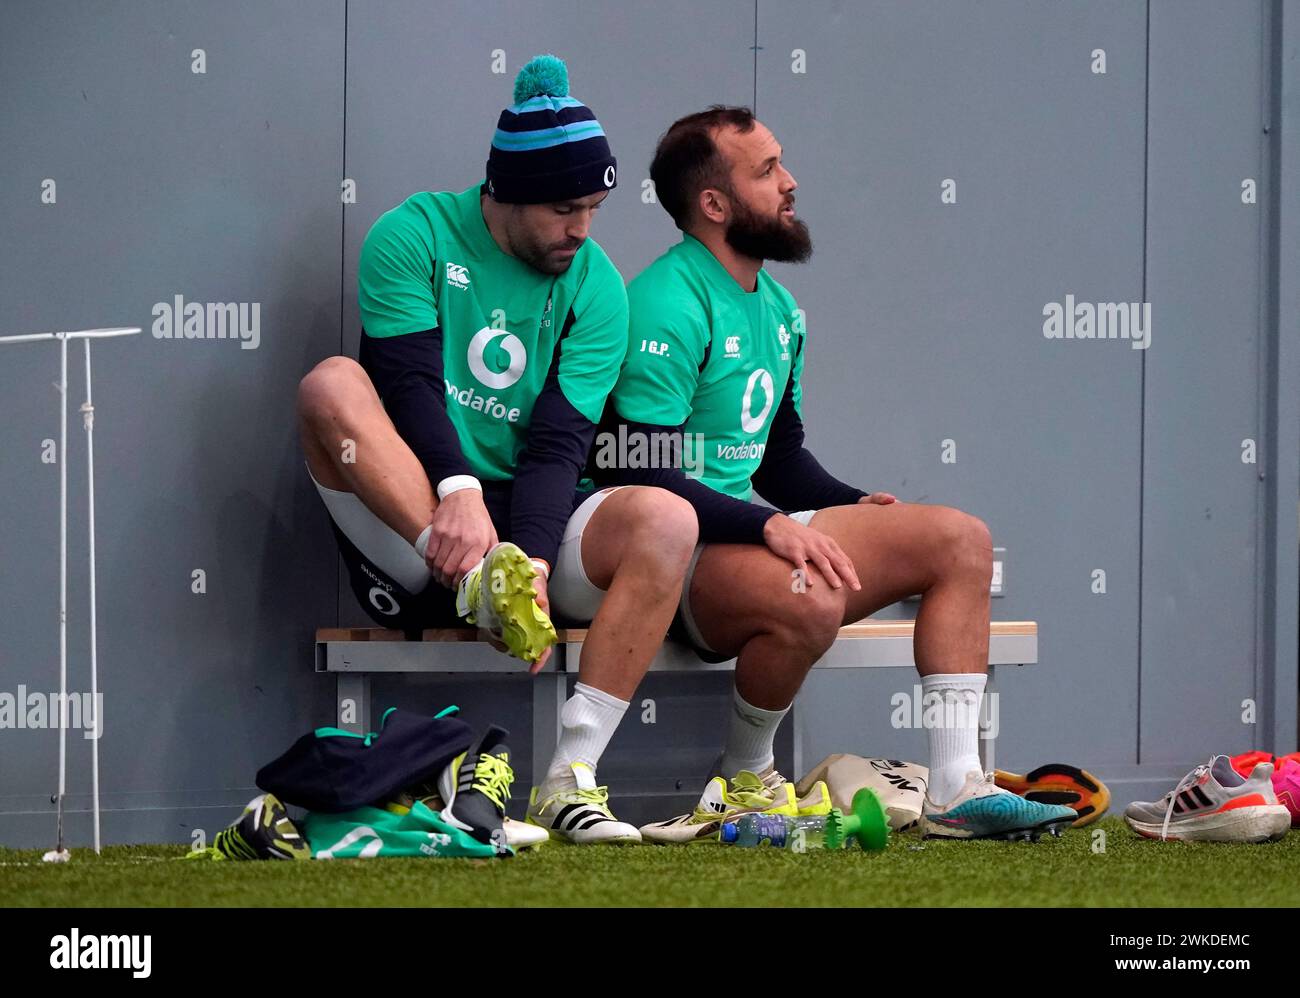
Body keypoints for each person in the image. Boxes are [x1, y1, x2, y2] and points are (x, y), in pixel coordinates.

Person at [596, 105, 1076, 841]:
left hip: (748, 533)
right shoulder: (665, 300)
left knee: (959, 540)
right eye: (767, 171)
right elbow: (644, 477)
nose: (790, 184)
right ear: (715, 205)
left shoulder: (782, 310)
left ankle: (955, 786)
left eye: (781, 164)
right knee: (809, 595)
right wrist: (769, 527)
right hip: (674, 555)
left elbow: (778, 456)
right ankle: (747, 776)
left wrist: (849, 502)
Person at [296, 56, 698, 845]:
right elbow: (407, 386)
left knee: (668, 521)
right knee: (330, 384)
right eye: (562, 208)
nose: (580, 229)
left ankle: (570, 780)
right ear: (504, 192)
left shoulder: (597, 285)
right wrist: (457, 494)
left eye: (594, 207)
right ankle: (481, 585)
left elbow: (556, 447)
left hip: (520, 521)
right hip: (413, 520)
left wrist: (535, 566)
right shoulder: (411, 235)